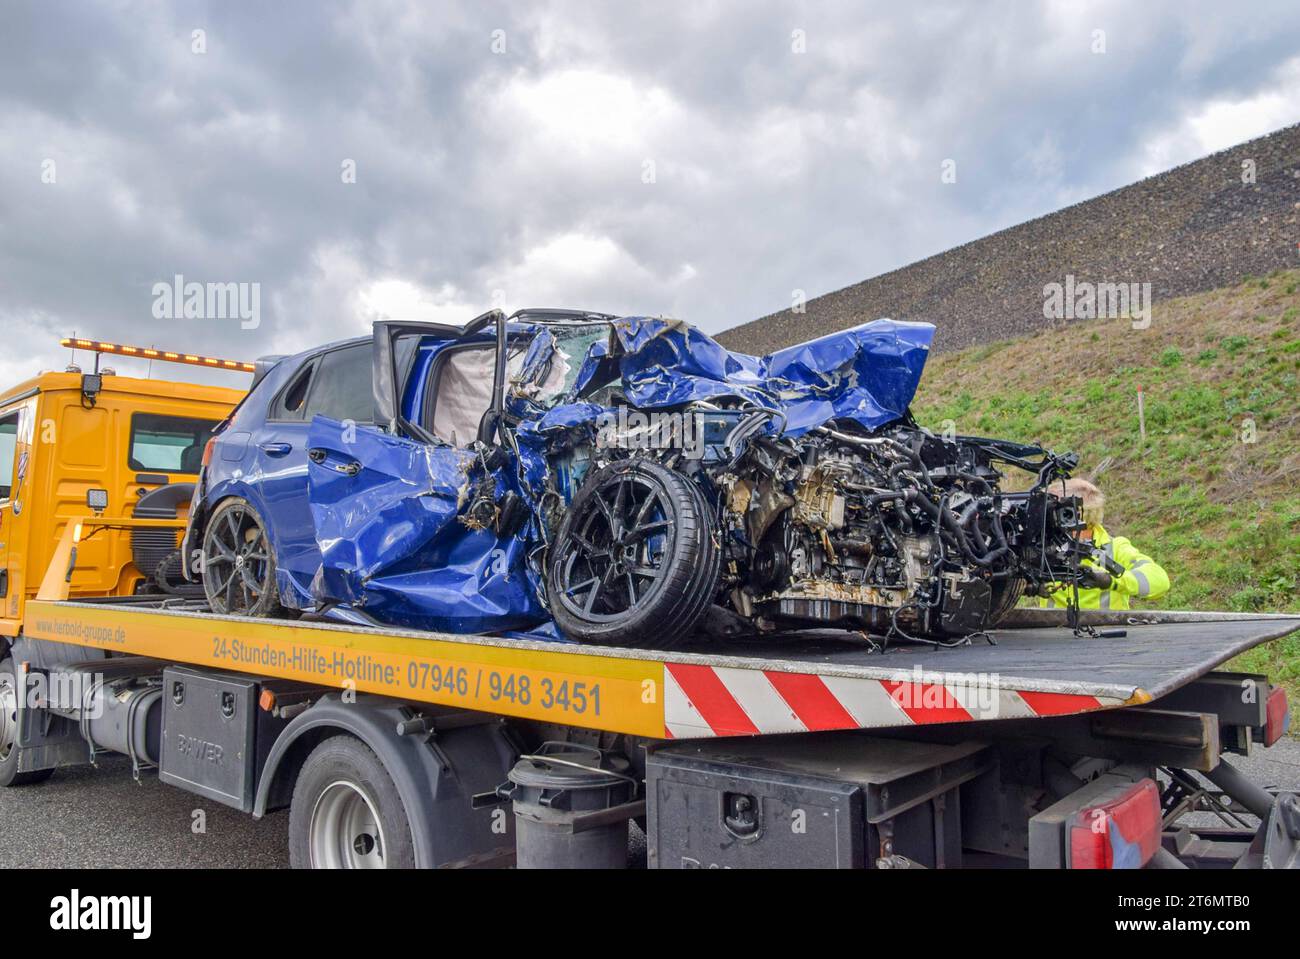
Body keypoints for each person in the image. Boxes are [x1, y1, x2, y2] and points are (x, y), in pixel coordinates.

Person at [1038, 477, 1169, 610]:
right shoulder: (1041, 547)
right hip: (1052, 629)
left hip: (1108, 628)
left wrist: (1110, 581)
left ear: (1075, 517)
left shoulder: (1114, 549)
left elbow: (1159, 581)